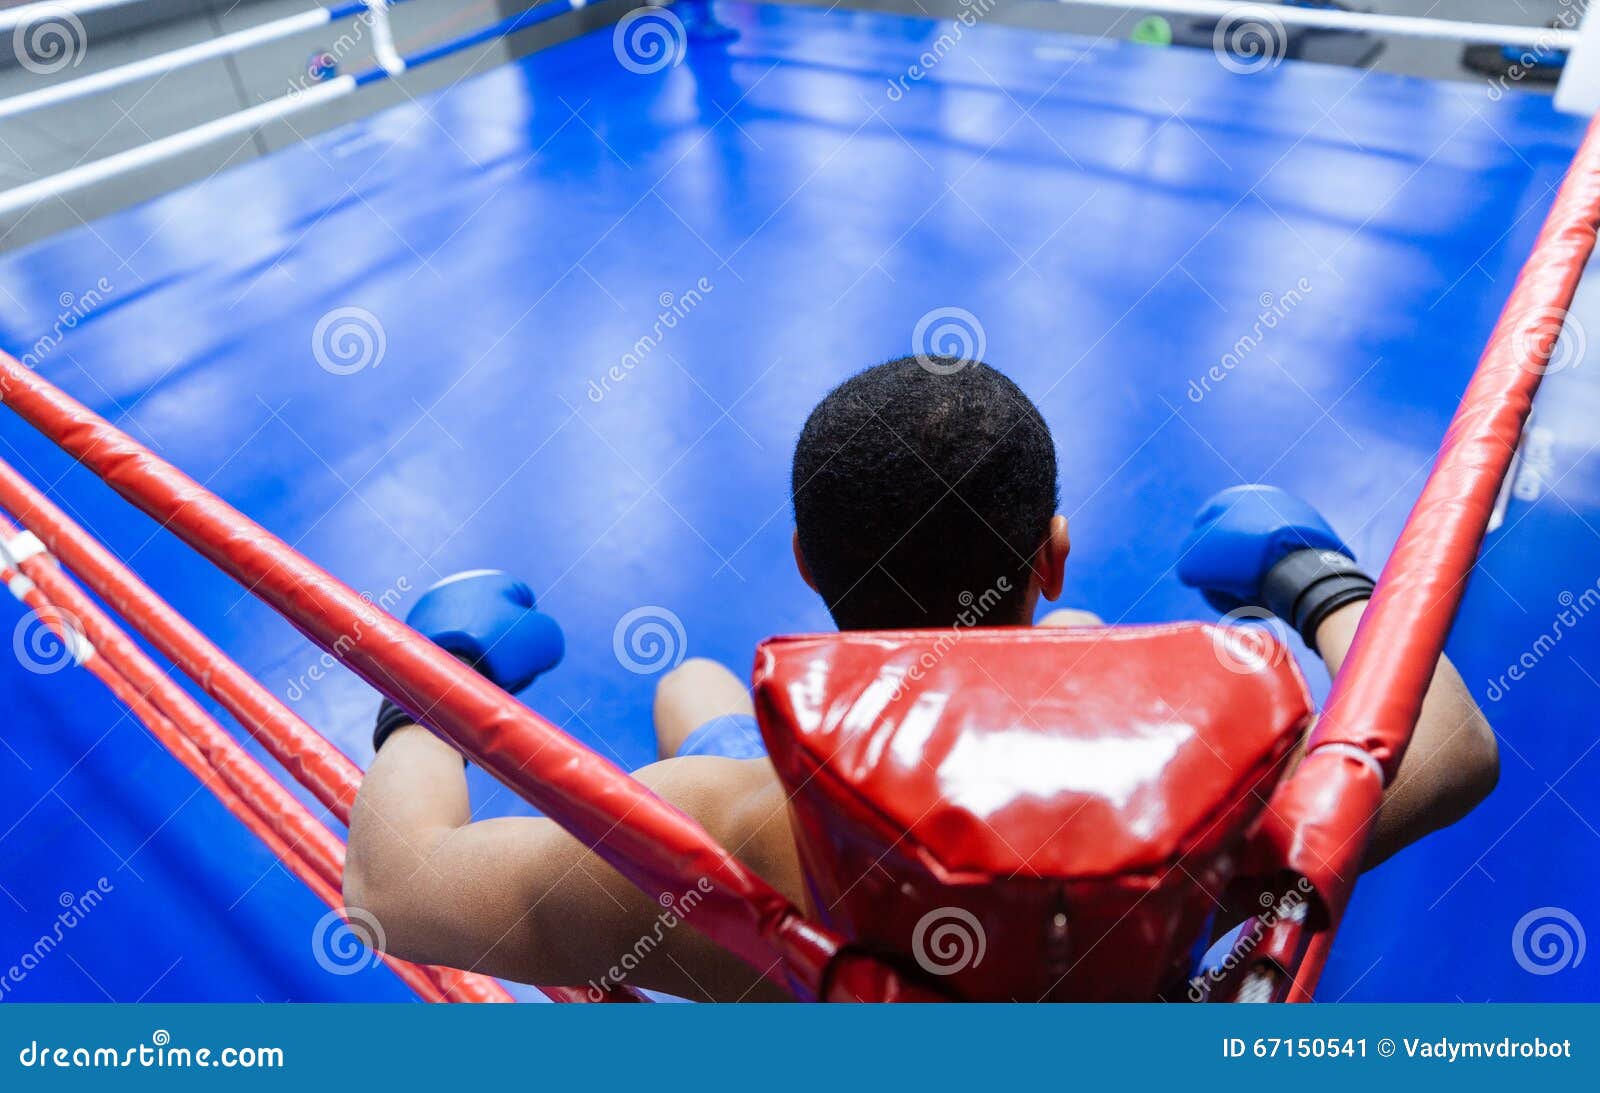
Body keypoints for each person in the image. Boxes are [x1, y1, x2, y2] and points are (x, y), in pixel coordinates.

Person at [344, 356, 1498, 1001]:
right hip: (1112, 964)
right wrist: (1317, 582)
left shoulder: (724, 824)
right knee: (1089, 635)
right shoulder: (1203, 773)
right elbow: (1444, 749)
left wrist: (431, 696)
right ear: (1048, 552)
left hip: (793, 940)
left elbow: (395, 890)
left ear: (806, 565)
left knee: (692, 691)